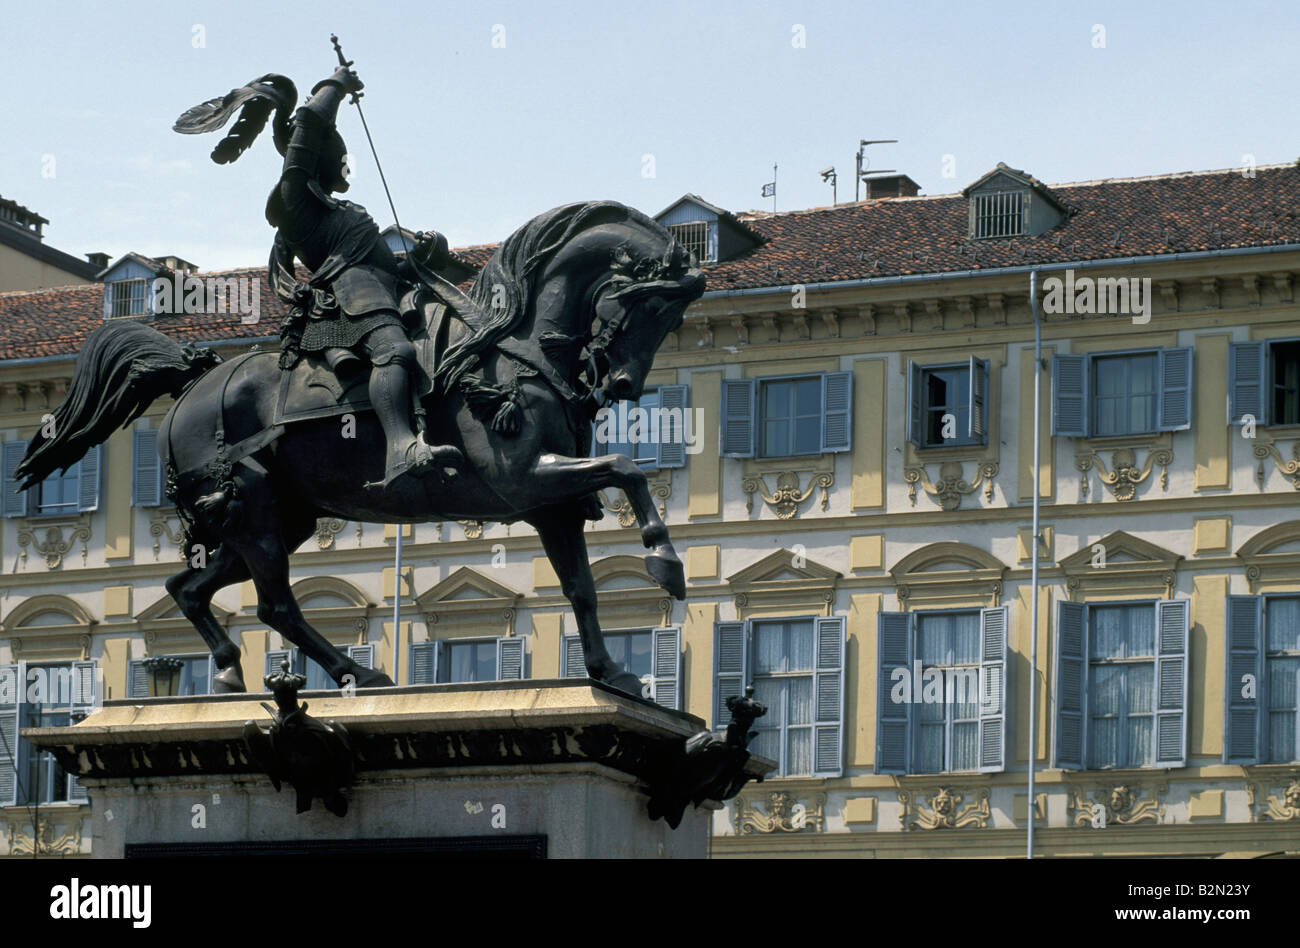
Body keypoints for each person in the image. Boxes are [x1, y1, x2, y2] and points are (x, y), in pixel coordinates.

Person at [267, 64, 460, 489]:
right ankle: (400, 449)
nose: (345, 162)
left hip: (386, 292)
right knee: (396, 352)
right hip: (350, 302)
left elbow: (389, 267)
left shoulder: (346, 212)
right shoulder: (296, 206)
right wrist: (336, 84)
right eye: (337, 155)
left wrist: (427, 257)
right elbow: (309, 128)